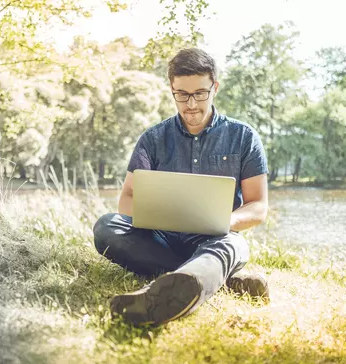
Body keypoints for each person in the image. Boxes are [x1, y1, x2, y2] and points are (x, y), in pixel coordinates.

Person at [92, 48, 270, 326]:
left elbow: (258, 206)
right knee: (106, 227)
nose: (191, 104)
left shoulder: (243, 137)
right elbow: (127, 198)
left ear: (215, 88)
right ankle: (219, 277)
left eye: (200, 93)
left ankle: (181, 284)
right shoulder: (152, 138)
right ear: (172, 89)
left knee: (233, 245)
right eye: (182, 95)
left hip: (216, 238)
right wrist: (153, 215)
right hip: (161, 238)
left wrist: (227, 220)